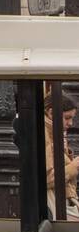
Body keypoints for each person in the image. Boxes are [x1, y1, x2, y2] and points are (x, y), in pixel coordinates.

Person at [44, 91, 79, 221]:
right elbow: (47, 179)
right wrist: (74, 167)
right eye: (67, 117)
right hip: (53, 200)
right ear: (51, 113)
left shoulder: (54, 133)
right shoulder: (46, 135)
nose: (70, 123)